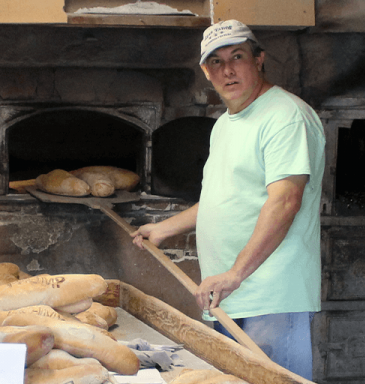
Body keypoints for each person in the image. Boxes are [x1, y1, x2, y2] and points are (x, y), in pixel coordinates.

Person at [131, 19, 325, 379]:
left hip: (271, 298)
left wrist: (235, 273)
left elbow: (285, 202)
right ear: (206, 71)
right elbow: (224, 199)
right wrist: (163, 228)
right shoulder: (225, 124)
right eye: (216, 62)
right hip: (227, 295)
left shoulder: (285, 117)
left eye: (237, 56)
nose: (228, 69)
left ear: (259, 59)